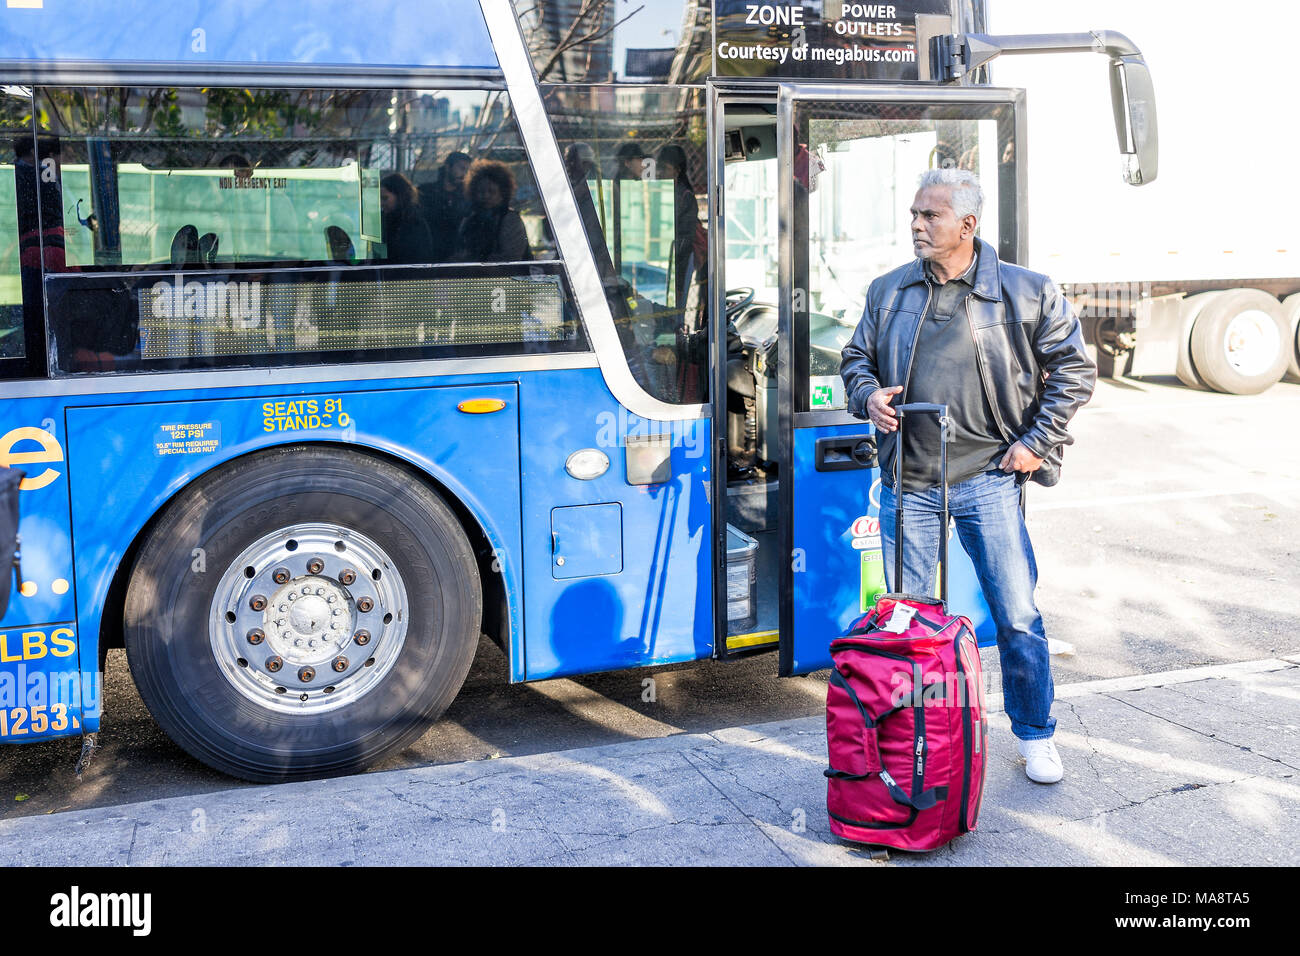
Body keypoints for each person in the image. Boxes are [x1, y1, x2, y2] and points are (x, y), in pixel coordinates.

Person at [840, 167, 1095, 785]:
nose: (917, 225)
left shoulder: (1026, 291)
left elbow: (1074, 372)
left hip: (988, 477)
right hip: (912, 481)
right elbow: (854, 359)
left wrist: (1037, 443)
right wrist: (868, 395)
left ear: (967, 225)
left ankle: (1035, 736)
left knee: (1016, 615)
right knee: (910, 619)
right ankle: (923, 741)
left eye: (930, 216)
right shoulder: (888, 291)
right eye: (914, 214)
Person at [454, 159, 531, 263]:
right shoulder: (470, 218)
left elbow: (511, 257)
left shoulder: (509, 219)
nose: (486, 196)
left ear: (502, 193)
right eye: (481, 191)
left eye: (491, 191)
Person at [421, 150, 471, 262]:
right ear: (448, 167)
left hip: (455, 255)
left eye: (467, 170)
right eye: (461, 168)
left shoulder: (468, 196)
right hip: (428, 253)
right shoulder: (426, 192)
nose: (464, 174)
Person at [379, 173, 434, 265]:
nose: (381, 203)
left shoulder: (415, 224)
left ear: (400, 196)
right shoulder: (382, 221)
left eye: (385, 198)